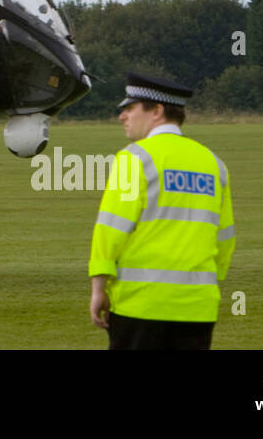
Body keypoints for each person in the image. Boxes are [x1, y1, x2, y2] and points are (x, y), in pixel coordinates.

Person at [88, 72, 235, 350]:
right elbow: (225, 238)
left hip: (141, 306)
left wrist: (99, 287)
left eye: (130, 108)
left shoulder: (134, 158)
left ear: (156, 111)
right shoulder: (214, 164)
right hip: (198, 309)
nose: (122, 116)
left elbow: (111, 229)